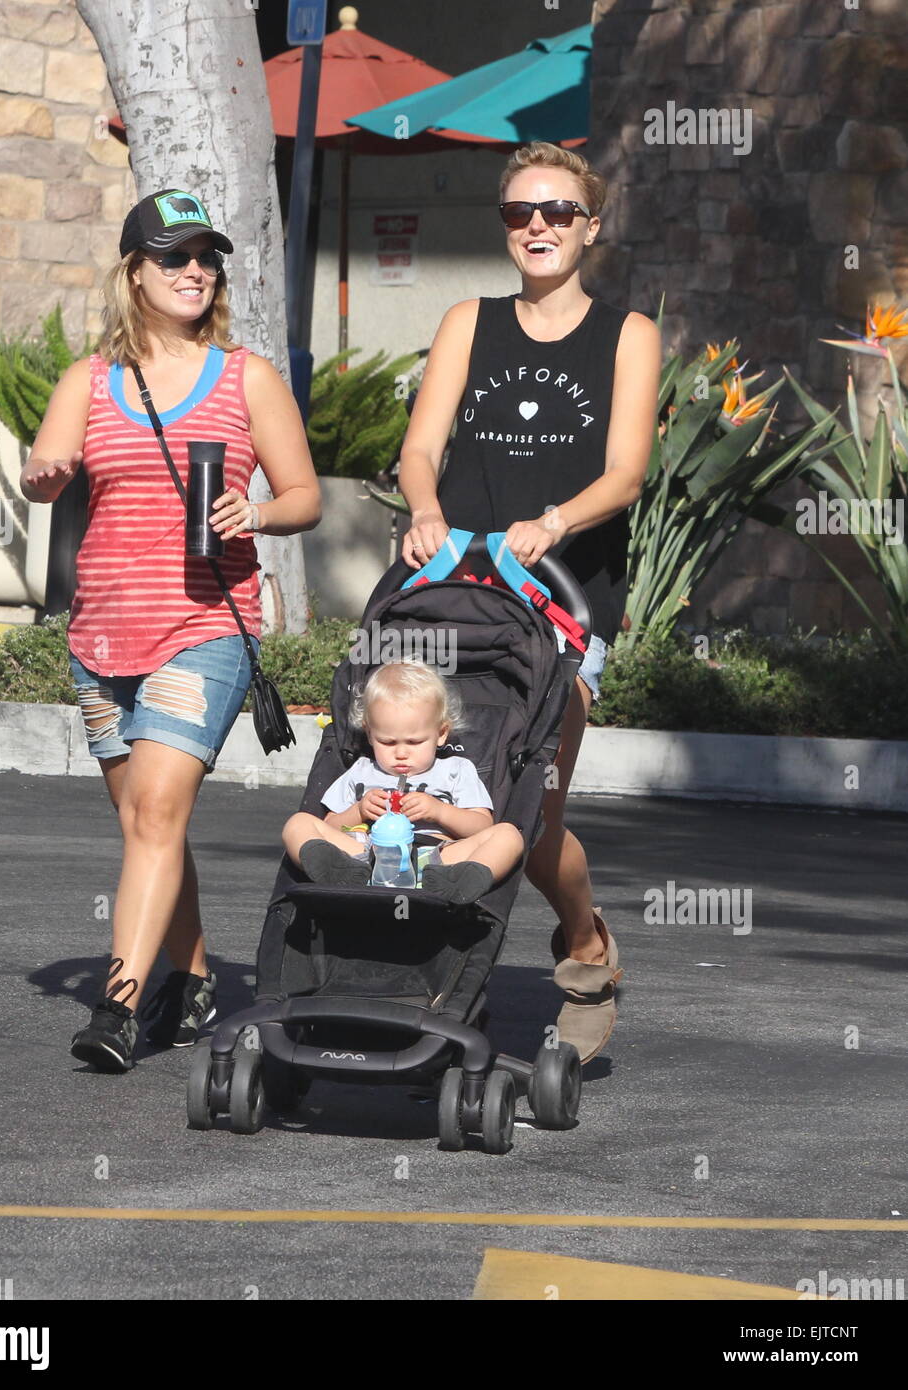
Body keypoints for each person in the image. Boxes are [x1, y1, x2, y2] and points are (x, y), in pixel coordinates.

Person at [21, 188, 321, 1072]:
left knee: (156, 812)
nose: (196, 271)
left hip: (204, 628)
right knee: (149, 824)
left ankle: (119, 1007)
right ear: (133, 272)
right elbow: (47, 472)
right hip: (100, 638)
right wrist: (45, 476)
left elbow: (305, 495)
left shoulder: (247, 377)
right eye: (174, 257)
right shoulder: (89, 380)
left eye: (207, 258)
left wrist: (255, 513)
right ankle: (192, 978)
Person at [397, 143, 660, 1061]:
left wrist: (554, 520)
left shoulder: (626, 334)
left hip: (562, 601)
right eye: (518, 213)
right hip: (455, 592)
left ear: (592, 225)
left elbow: (627, 472)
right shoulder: (469, 321)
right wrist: (425, 509)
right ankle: (417, 977)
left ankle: (586, 946)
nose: (537, 225)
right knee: (420, 787)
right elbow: (420, 447)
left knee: (533, 806)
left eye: (556, 211)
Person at [282, 661, 523, 904]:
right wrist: (359, 811)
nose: (401, 754)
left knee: (508, 835)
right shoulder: (362, 770)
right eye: (387, 742)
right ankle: (340, 873)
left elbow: (482, 826)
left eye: (414, 742)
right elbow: (330, 825)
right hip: (368, 856)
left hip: (436, 858)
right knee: (298, 823)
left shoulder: (456, 770)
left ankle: (458, 882)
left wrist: (439, 811)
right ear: (369, 734)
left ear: (441, 734)